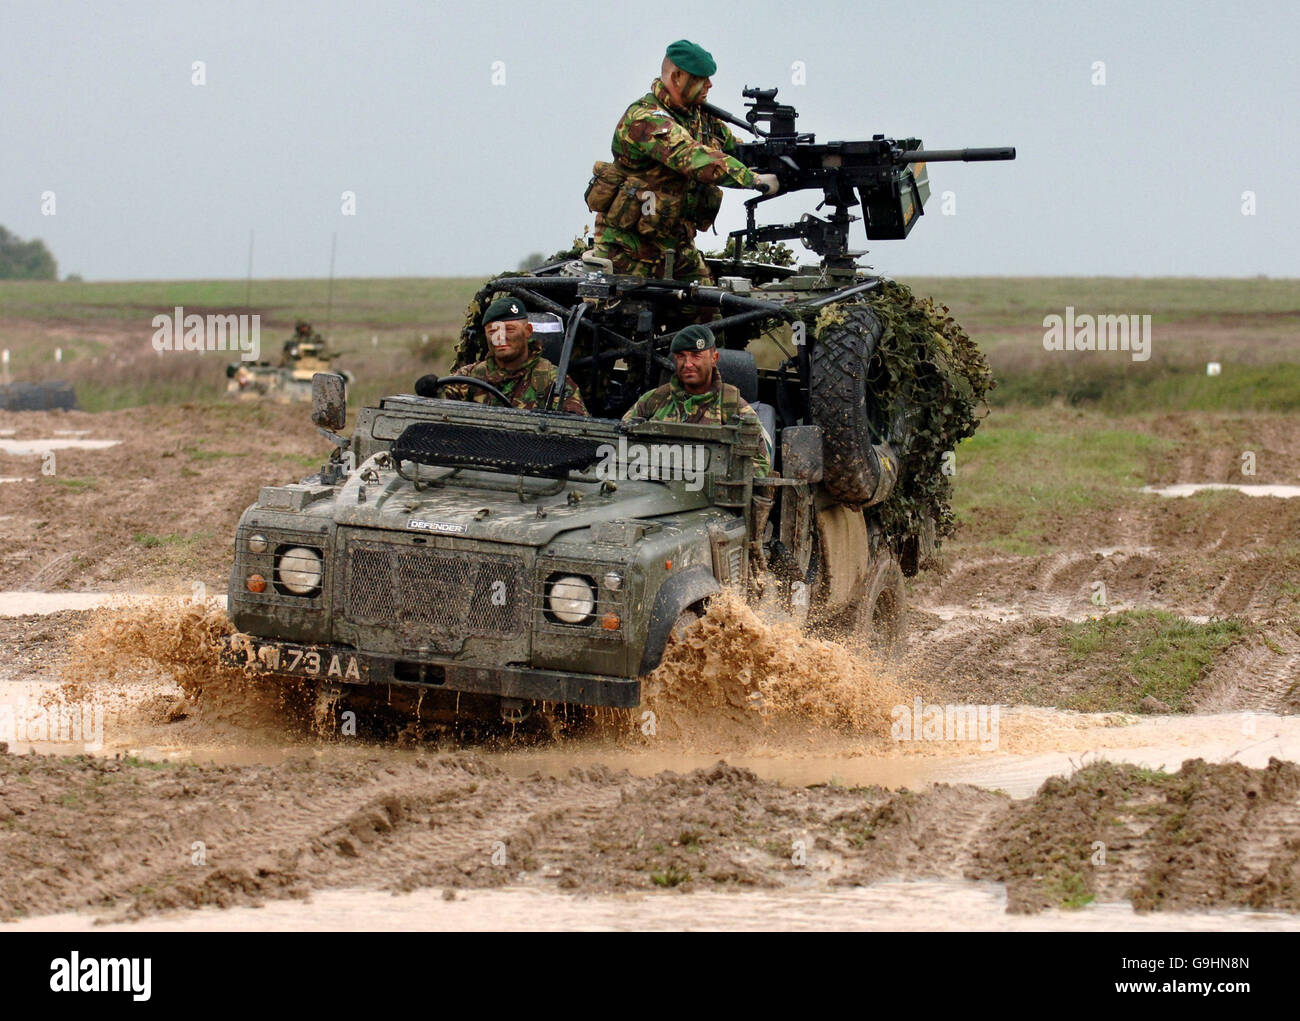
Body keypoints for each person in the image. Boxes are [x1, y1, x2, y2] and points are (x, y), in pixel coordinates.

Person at [584, 39, 779, 284]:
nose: (710, 84)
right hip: (629, 252)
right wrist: (754, 180)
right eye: (701, 78)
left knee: (710, 314)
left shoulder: (700, 117)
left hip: (676, 249)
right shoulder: (645, 118)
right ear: (677, 77)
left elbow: (736, 150)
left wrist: (783, 159)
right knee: (625, 320)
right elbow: (693, 158)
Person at [622, 324, 771, 476]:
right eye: (681, 356)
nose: (687, 364)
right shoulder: (652, 401)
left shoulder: (734, 408)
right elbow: (621, 446)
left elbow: (760, 466)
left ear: (714, 358)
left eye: (696, 356)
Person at [428, 297, 588, 414]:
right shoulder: (470, 376)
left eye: (510, 330)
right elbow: (439, 413)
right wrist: (431, 392)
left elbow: (575, 430)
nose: (501, 337)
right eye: (493, 331)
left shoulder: (553, 381)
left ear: (528, 331)